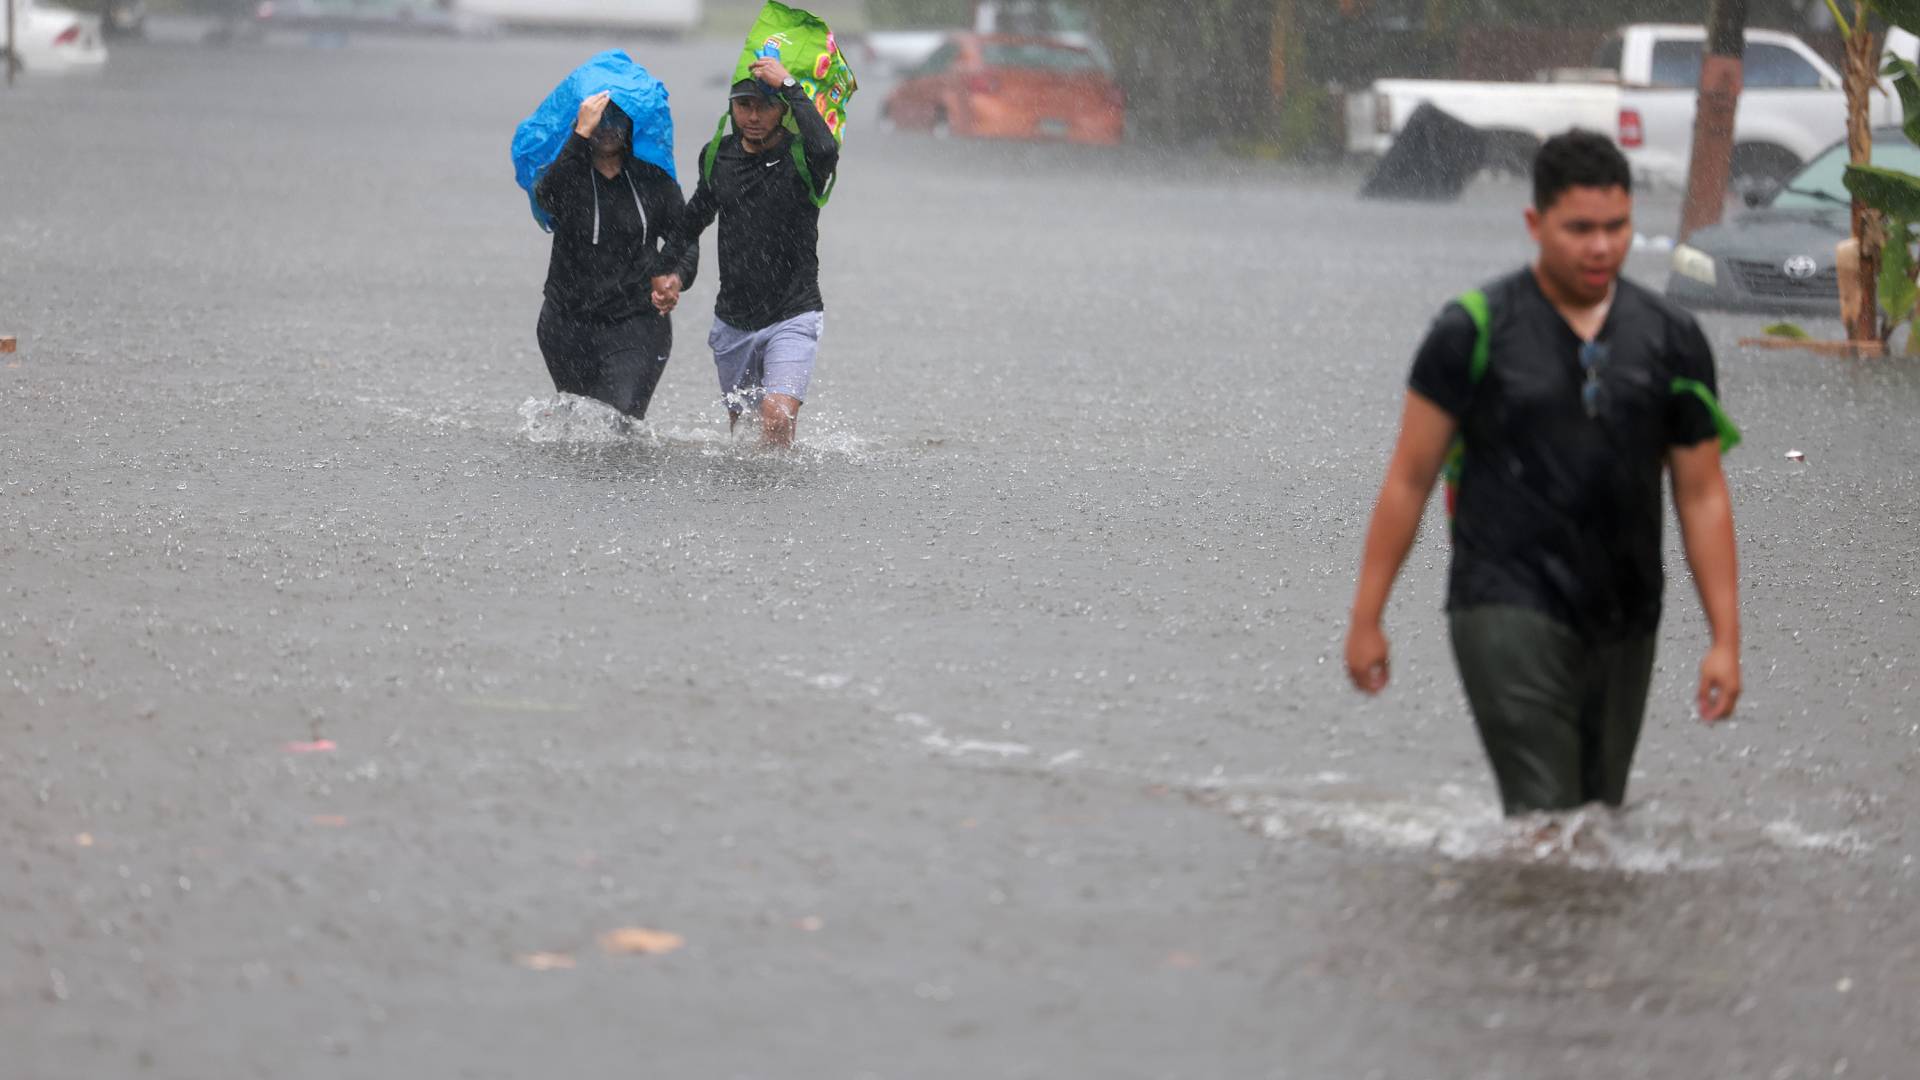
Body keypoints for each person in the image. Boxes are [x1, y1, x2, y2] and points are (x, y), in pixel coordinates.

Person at [1343, 130, 1743, 817]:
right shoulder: (1472, 331)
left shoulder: (1672, 339)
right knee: (1547, 814)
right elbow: (1410, 477)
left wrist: (1725, 640)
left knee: (1597, 822)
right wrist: (1367, 618)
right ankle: (1526, 923)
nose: (1600, 247)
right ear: (1535, 224)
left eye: (1616, 227)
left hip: (1626, 611)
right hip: (1504, 602)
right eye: (1579, 229)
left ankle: (1542, 921)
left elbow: (1701, 494)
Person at [652, 54, 838, 449]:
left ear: (782, 110)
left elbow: (827, 146)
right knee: (745, 433)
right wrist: (667, 269)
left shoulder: (803, 155)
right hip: (734, 317)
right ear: (732, 107)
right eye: (744, 106)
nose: (753, 116)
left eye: (765, 106)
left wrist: (788, 83)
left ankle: (782, 504)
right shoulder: (717, 155)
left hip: (794, 310)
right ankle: (752, 502)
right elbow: (693, 218)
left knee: (777, 415)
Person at [533, 91, 688, 420]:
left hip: (636, 321)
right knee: (581, 424)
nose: (609, 127)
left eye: (618, 118)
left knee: (617, 418)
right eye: (599, 119)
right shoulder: (568, 174)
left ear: (634, 124)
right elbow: (548, 199)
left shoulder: (653, 180)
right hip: (566, 321)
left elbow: (683, 237)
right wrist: (578, 137)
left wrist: (676, 275)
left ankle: (628, 475)